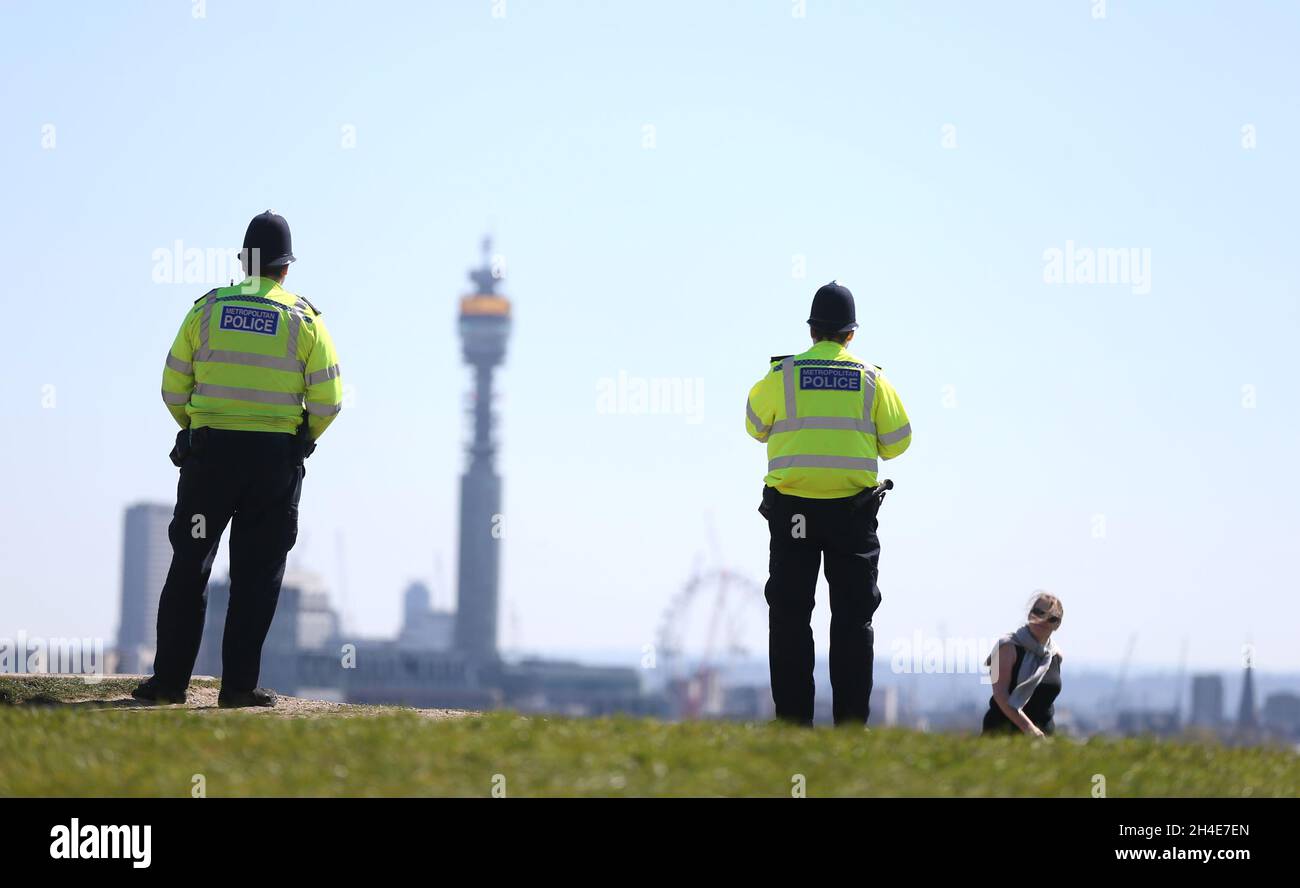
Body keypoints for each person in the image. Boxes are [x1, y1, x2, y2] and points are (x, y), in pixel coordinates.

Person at [132, 211, 344, 708]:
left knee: (190, 565)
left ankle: (167, 685)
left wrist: (194, 430)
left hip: (210, 461)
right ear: (285, 269)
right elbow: (329, 401)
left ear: (241, 262)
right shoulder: (305, 321)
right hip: (273, 465)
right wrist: (300, 441)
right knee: (256, 575)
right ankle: (239, 688)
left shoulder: (205, 311)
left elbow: (171, 387)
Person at [744, 281, 912, 726]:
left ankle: (793, 725)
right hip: (852, 518)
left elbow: (754, 426)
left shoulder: (782, 376)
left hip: (792, 513)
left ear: (812, 330)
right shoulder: (873, 380)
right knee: (853, 623)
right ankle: (851, 728)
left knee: (790, 619)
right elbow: (898, 443)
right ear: (851, 334)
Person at [982, 592, 1064, 737]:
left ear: (1057, 625)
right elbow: (1000, 694)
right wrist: (1030, 729)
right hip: (1003, 735)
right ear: (1029, 615)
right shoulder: (1006, 647)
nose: (1043, 620)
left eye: (1051, 618)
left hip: (1043, 740)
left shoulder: (1055, 655)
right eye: (1039, 612)